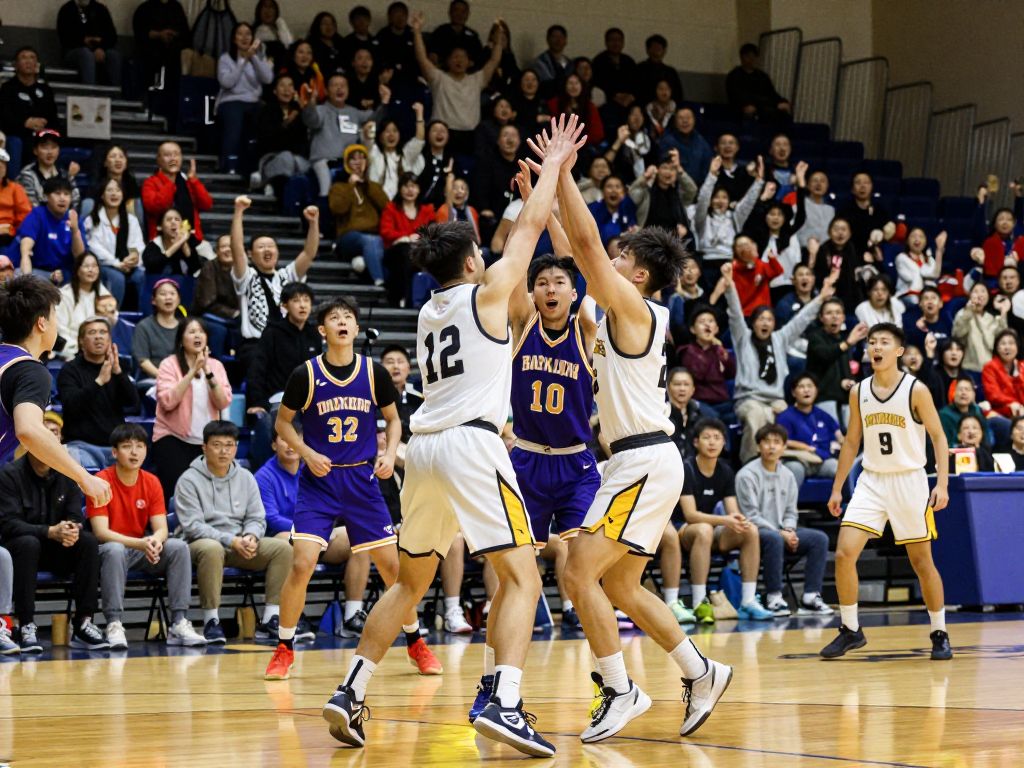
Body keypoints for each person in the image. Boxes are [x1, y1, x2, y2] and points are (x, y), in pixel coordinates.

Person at [321, 118, 586, 758]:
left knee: (409, 584)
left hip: (426, 449)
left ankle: (350, 691)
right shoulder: (487, 292)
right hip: (471, 445)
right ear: (472, 261)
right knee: (521, 577)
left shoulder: (431, 308)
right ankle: (508, 702)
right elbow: (525, 235)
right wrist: (552, 167)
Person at [548, 115, 731, 739]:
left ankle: (621, 689)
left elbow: (591, 252)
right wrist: (543, 203)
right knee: (621, 583)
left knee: (577, 572)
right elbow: (579, 255)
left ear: (640, 275)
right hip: (636, 460)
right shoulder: (614, 313)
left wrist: (564, 174)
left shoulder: (639, 307)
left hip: (645, 459)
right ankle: (700, 669)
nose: (611, 261)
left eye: (623, 258)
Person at [264, 296, 442, 680]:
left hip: (362, 479)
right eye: (334, 317)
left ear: (357, 329)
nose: (342, 322)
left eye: (348, 317)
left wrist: (389, 453)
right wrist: (307, 453)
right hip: (320, 482)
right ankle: (284, 647)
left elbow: (394, 422)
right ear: (322, 330)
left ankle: (416, 643)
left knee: (395, 569)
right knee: (301, 562)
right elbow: (281, 426)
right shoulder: (305, 375)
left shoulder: (373, 372)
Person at [822, 323, 952, 660]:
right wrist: (837, 488)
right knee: (844, 553)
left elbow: (939, 436)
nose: (875, 347)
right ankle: (851, 629)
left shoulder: (916, 390)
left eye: (883, 342)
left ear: (898, 351)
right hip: (872, 481)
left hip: (910, 481)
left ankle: (939, 632)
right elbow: (852, 441)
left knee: (922, 562)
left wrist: (941, 483)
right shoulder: (859, 391)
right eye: (871, 342)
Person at [505, 235, 600, 637]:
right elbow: (512, 265)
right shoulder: (522, 322)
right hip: (527, 460)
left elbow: (584, 264)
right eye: (542, 282)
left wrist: (552, 214)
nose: (550, 288)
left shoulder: (585, 328)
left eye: (559, 281)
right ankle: (497, 671)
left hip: (575, 463)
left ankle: (608, 674)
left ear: (573, 291)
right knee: (512, 567)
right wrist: (531, 212)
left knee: (583, 564)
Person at [86, 423, 205, 649]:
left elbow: (161, 528)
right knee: (114, 549)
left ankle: (179, 622)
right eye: (127, 446)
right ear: (114, 452)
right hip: (108, 551)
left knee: (178, 547)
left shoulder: (151, 481)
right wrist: (142, 543)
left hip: (140, 548)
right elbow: (101, 533)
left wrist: (154, 542)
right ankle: (114, 623)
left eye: (140, 446)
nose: (134, 452)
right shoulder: (101, 480)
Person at [176, 420, 293, 644]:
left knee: (283, 548)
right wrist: (232, 540)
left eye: (229, 445)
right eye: (217, 445)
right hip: (199, 543)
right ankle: (212, 621)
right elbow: (193, 526)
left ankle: (271, 618)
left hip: (240, 542)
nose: (223, 451)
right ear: (204, 447)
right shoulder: (188, 480)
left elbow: (257, 517)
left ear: (236, 448)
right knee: (211, 549)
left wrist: (251, 536)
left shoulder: (246, 477)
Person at [0, 442, 110, 651]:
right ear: (31, 445)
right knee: (28, 544)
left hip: (57, 547)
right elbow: (9, 524)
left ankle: (83, 623)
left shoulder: (67, 473)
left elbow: (76, 514)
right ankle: (26, 624)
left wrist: (71, 529)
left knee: (87, 541)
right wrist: (49, 531)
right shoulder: (10, 474)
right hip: (20, 549)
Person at [724, 261, 834, 462]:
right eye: (761, 319)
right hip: (749, 399)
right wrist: (730, 286)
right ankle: (752, 461)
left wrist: (820, 298)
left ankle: (790, 459)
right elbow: (735, 315)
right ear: (754, 322)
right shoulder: (743, 338)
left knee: (792, 415)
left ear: (774, 324)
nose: (765, 323)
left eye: (769, 320)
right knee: (756, 415)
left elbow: (800, 320)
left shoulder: (779, 338)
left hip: (776, 399)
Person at [667, 418, 772, 624]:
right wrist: (725, 519)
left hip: (711, 530)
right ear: (696, 442)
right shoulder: (686, 468)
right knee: (703, 529)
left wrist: (738, 520)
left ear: (724, 443)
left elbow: (732, 511)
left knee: (749, 530)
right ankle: (699, 602)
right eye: (707, 438)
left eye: (717, 438)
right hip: (683, 531)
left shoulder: (725, 470)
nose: (712, 442)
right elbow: (690, 515)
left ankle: (748, 600)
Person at [737, 424, 832, 617]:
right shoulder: (746, 475)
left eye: (777, 442)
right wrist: (781, 533)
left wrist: (789, 529)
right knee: (774, 538)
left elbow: (791, 510)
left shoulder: (788, 475)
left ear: (783, 448)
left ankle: (810, 597)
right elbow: (751, 515)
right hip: (755, 533)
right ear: (758, 447)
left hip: (782, 532)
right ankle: (773, 597)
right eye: (766, 442)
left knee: (819, 538)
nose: (771, 447)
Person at [230, 196, 319, 375]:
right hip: (256, 345)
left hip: (287, 342)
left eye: (271, 246)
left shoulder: (287, 275)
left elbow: (309, 253)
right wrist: (238, 212)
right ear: (250, 254)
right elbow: (236, 248)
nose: (267, 250)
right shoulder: (247, 276)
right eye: (261, 247)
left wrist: (313, 223)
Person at [152, 317, 233, 497]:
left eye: (201, 332)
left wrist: (208, 372)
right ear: (181, 340)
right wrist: (191, 372)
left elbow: (223, 402)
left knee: (206, 495)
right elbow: (167, 401)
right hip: (172, 437)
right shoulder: (169, 364)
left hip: (205, 441)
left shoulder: (216, 366)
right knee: (177, 495)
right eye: (191, 332)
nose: (197, 335)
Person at [411, 10, 504, 156]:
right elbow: (422, 58)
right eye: (455, 57)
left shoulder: (477, 79)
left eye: (462, 57)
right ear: (447, 61)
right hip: (443, 134)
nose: (458, 60)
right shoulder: (438, 78)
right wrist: (416, 32)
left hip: (471, 136)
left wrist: (498, 41)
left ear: (469, 62)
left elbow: (493, 61)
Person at [56, 316, 139, 469]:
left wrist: (118, 372)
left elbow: (134, 405)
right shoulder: (70, 370)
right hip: (82, 446)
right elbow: (71, 405)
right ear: (81, 341)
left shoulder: (117, 369)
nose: (98, 336)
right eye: (92, 332)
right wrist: (99, 381)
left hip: (115, 447)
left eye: (103, 332)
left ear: (109, 340)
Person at [301, 72, 391, 198]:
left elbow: (374, 120)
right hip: (324, 161)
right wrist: (310, 103)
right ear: (326, 91)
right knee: (326, 190)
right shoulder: (321, 110)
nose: (339, 88)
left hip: (348, 163)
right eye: (335, 85)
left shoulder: (354, 112)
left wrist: (384, 102)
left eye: (343, 85)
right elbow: (311, 119)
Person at [245, 282, 321, 415]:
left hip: (308, 401)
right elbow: (257, 370)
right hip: (279, 398)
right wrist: (258, 402)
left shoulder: (314, 334)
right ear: (285, 305)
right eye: (296, 300)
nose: (302, 305)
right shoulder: (273, 333)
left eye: (306, 300)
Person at [216, 22, 274, 174]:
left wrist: (253, 57)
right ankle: (229, 164)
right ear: (234, 39)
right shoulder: (226, 58)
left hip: (254, 101)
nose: (244, 37)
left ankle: (257, 166)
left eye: (248, 34)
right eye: (240, 34)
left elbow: (267, 79)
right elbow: (227, 82)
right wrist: (243, 61)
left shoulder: (258, 57)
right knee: (234, 119)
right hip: (231, 100)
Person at [328, 145, 388, 287]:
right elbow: (338, 209)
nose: (358, 162)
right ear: (347, 163)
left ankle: (363, 266)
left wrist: (366, 185)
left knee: (377, 241)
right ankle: (379, 281)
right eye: (353, 159)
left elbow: (386, 206)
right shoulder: (339, 187)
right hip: (348, 237)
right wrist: (350, 186)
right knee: (370, 240)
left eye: (362, 158)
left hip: (374, 235)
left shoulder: (373, 186)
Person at [84, 177, 146, 306]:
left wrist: (134, 257)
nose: (114, 194)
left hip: (128, 265)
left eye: (118, 190)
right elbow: (94, 246)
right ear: (102, 195)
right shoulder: (92, 220)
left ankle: (143, 316)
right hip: (104, 264)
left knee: (141, 276)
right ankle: (112, 313)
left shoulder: (131, 220)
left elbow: (137, 245)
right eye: (109, 190)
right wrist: (116, 263)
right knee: (117, 277)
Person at [693, 155, 765, 266]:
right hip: (706, 261)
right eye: (716, 197)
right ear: (711, 201)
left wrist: (759, 181)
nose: (720, 201)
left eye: (724, 197)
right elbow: (703, 199)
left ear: (729, 201)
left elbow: (748, 203)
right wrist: (711, 176)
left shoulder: (734, 217)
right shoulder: (702, 217)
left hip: (729, 262)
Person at [806, 298, 868, 423]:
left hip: (847, 398)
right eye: (829, 313)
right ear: (821, 317)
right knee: (833, 438)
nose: (834, 316)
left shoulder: (846, 338)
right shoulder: (815, 337)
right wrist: (848, 343)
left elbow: (853, 367)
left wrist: (851, 382)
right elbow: (826, 355)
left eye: (838, 313)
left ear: (843, 317)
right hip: (825, 397)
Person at [777, 373, 844, 488]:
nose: (806, 390)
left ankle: (844, 504)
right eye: (801, 387)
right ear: (793, 392)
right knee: (794, 469)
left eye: (810, 386)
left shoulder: (824, 415)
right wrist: (806, 448)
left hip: (822, 460)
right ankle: (788, 505)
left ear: (816, 390)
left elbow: (840, 437)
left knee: (839, 468)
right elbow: (783, 441)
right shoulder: (785, 416)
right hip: (798, 460)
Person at [15, 176, 86, 285]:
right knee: (17, 275)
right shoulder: (37, 215)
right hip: (39, 271)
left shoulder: (74, 219)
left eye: (66, 194)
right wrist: (27, 284)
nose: (62, 198)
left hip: (66, 273)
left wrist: (75, 230)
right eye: (57, 193)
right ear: (46, 196)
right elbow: (25, 252)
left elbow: (80, 258)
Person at [141, 142, 213, 247]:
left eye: (176, 154)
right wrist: (170, 181)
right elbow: (155, 207)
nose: (173, 158)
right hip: (163, 242)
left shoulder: (188, 181)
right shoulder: (150, 182)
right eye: (167, 155)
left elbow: (207, 204)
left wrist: (194, 180)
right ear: (159, 160)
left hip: (192, 239)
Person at [380, 173, 435, 306]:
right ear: (400, 189)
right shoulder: (391, 208)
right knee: (406, 252)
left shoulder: (427, 210)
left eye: (414, 186)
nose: (410, 190)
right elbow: (385, 231)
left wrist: (420, 238)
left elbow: (433, 232)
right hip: (394, 251)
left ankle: (409, 298)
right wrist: (407, 237)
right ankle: (405, 297)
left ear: (419, 189)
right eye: (406, 186)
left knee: (416, 255)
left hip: (419, 250)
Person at [132, 0, 191, 122]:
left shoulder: (176, 8)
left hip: (173, 58)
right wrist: (159, 35)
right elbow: (140, 33)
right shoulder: (144, 8)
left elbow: (186, 35)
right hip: (149, 56)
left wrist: (172, 35)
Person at [678, 306, 736, 421]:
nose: (707, 325)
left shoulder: (719, 349)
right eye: (702, 322)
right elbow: (700, 374)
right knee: (714, 420)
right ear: (693, 329)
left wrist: (721, 351)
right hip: (699, 402)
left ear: (717, 329)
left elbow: (731, 373)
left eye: (711, 321)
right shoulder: (687, 351)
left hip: (722, 402)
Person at [0, 49, 60, 152]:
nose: (28, 61)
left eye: (32, 57)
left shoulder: (45, 90)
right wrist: (25, 123)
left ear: (37, 65)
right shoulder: (7, 89)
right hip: (17, 134)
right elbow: (4, 117)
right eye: (23, 57)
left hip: (43, 134)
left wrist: (43, 123)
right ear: (16, 65)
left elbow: (53, 116)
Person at [56, 252, 111, 359]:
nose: (91, 270)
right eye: (86, 266)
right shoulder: (65, 295)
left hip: (98, 348)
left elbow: (110, 324)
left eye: (94, 266)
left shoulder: (104, 294)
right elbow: (61, 329)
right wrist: (80, 346)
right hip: (72, 348)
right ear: (77, 270)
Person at [628, 150, 697, 234]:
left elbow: (692, 190)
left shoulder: (678, 194)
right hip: (648, 240)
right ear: (657, 170)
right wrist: (645, 177)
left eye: (672, 169)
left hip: (674, 241)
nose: (668, 172)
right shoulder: (647, 191)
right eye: (664, 167)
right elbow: (632, 195)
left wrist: (679, 169)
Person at [57, 0, 122, 87]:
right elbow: (65, 37)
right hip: (74, 51)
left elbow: (112, 36)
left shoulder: (100, 9)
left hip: (100, 49)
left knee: (114, 56)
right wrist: (84, 41)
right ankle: (90, 92)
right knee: (86, 54)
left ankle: (115, 93)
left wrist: (100, 48)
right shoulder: (67, 9)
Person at [369, 104, 426, 200]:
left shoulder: (406, 154)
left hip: (402, 205)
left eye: (395, 131)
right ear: (380, 136)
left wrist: (419, 115)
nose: (391, 135)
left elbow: (419, 139)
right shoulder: (375, 153)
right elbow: (368, 134)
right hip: (379, 204)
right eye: (387, 131)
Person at [18, 130, 82, 210]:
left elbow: (76, 202)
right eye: (45, 147)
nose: (50, 152)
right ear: (35, 150)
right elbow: (32, 207)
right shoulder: (27, 175)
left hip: (64, 220)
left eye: (54, 147)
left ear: (58, 151)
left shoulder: (65, 174)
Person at [953, 283, 1010, 372]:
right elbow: (957, 335)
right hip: (969, 368)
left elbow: (1002, 338)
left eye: (983, 291)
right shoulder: (963, 313)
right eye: (975, 291)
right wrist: (968, 312)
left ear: (988, 296)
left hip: (989, 369)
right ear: (969, 295)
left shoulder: (991, 318)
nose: (979, 295)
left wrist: (1003, 312)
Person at [726, 43, 790, 122]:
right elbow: (737, 96)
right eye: (749, 57)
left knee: (783, 114)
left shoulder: (762, 76)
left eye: (755, 57)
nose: (752, 60)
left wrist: (782, 102)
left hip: (764, 107)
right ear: (742, 57)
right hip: (743, 108)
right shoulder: (734, 76)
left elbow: (771, 93)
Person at [132, 279, 182, 379]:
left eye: (172, 293)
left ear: (179, 300)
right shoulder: (144, 326)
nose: (168, 297)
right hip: (154, 380)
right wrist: (164, 378)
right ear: (153, 300)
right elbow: (143, 361)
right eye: (163, 294)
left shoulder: (185, 327)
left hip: (183, 378)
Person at [836, 172, 894, 256]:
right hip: (849, 255)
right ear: (852, 189)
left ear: (871, 187)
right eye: (858, 183)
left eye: (866, 183)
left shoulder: (880, 211)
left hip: (874, 255)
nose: (862, 186)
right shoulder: (844, 211)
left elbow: (888, 231)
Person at [666, 367, 715, 461]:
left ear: (693, 389)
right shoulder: (662, 414)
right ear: (668, 387)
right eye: (677, 384)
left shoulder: (702, 414)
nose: (682, 388)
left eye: (686, 384)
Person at [141, 207, 201, 277]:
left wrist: (184, 244)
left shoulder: (188, 243)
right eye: (169, 220)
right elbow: (152, 265)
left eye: (177, 219)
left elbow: (195, 268)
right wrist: (179, 243)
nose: (173, 222)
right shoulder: (153, 246)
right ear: (159, 227)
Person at [939, 375, 995, 450]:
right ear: (953, 393)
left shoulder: (977, 410)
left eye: (967, 389)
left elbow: (987, 437)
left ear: (973, 394)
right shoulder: (944, 414)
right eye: (960, 389)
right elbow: (945, 443)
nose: (963, 393)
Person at [192, 235, 240, 319]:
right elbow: (207, 302)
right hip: (212, 315)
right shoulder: (209, 267)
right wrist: (234, 313)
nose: (228, 249)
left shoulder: (244, 268)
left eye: (231, 246)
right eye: (223, 247)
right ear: (217, 251)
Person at [658, 107, 712, 184]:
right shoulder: (667, 142)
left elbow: (707, 168)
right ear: (675, 121)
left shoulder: (702, 142)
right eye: (681, 118)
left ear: (694, 120)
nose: (685, 121)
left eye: (688, 117)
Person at [981, 329, 1024, 419]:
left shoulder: (1022, 366)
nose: (1007, 347)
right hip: (1000, 412)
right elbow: (993, 395)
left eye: (1011, 343)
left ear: (1017, 347)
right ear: (997, 348)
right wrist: (1014, 403)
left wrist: (1018, 377)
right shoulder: (990, 367)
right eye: (1003, 344)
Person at [896, 228, 946, 305]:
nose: (917, 239)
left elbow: (935, 274)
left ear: (925, 241)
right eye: (913, 236)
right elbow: (911, 278)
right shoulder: (901, 258)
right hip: (907, 296)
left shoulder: (928, 258)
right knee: (915, 300)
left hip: (925, 297)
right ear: (907, 241)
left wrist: (939, 251)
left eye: (921, 236)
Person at [592, 28, 637, 110]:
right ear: (606, 42)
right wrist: (614, 96)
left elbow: (636, 82)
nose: (616, 43)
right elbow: (597, 83)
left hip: (628, 102)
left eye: (619, 40)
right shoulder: (599, 61)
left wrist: (631, 95)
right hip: (607, 102)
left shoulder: (629, 61)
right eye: (612, 40)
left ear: (623, 43)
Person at [635, 34, 683, 107]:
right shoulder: (639, 69)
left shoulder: (670, 72)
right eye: (654, 47)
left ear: (664, 51)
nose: (657, 49)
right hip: (643, 108)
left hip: (667, 110)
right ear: (647, 50)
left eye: (659, 47)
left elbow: (678, 95)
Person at [0, 149, 31, 251]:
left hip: (7, 237)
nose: (0, 167)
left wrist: (11, 230)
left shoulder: (15, 188)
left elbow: (25, 217)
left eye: (3, 164)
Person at [904, 286, 953, 350]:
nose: (930, 302)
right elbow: (912, 349)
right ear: (920, 303)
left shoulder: (948, 324)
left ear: (941, 303)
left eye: (933, 298)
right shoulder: (912, 325)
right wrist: (920, 330)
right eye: (926, 298)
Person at [796, 169, 834, 247]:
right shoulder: (800, 203)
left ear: (827, 186)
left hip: (825, 252)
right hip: (804, 249)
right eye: (815, 180)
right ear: (808, 185)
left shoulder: (831, 210)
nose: (819, 184)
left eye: (822, 181)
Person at [253, 0, 292, 66]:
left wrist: (280, 24)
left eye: (271, 7)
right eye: (265, 7)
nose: (268, 11)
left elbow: (289, 45)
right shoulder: (253, 31)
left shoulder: (280, 28)